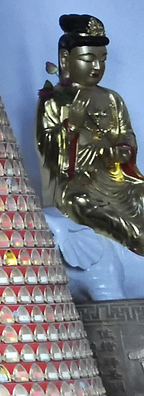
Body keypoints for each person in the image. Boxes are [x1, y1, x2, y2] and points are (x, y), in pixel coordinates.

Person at [38, 14, 144, 253]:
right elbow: (45, 146)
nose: (97, 67)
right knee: (82, 203)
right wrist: (71, 126)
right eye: (89, 59)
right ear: (66, 59)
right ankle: (136, 237)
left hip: (115, 178)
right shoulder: (54, 100)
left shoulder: (112, 98)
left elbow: (127, 133)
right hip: (78, 182)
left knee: (140, 193)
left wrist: (123, 150)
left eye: (103, 59)